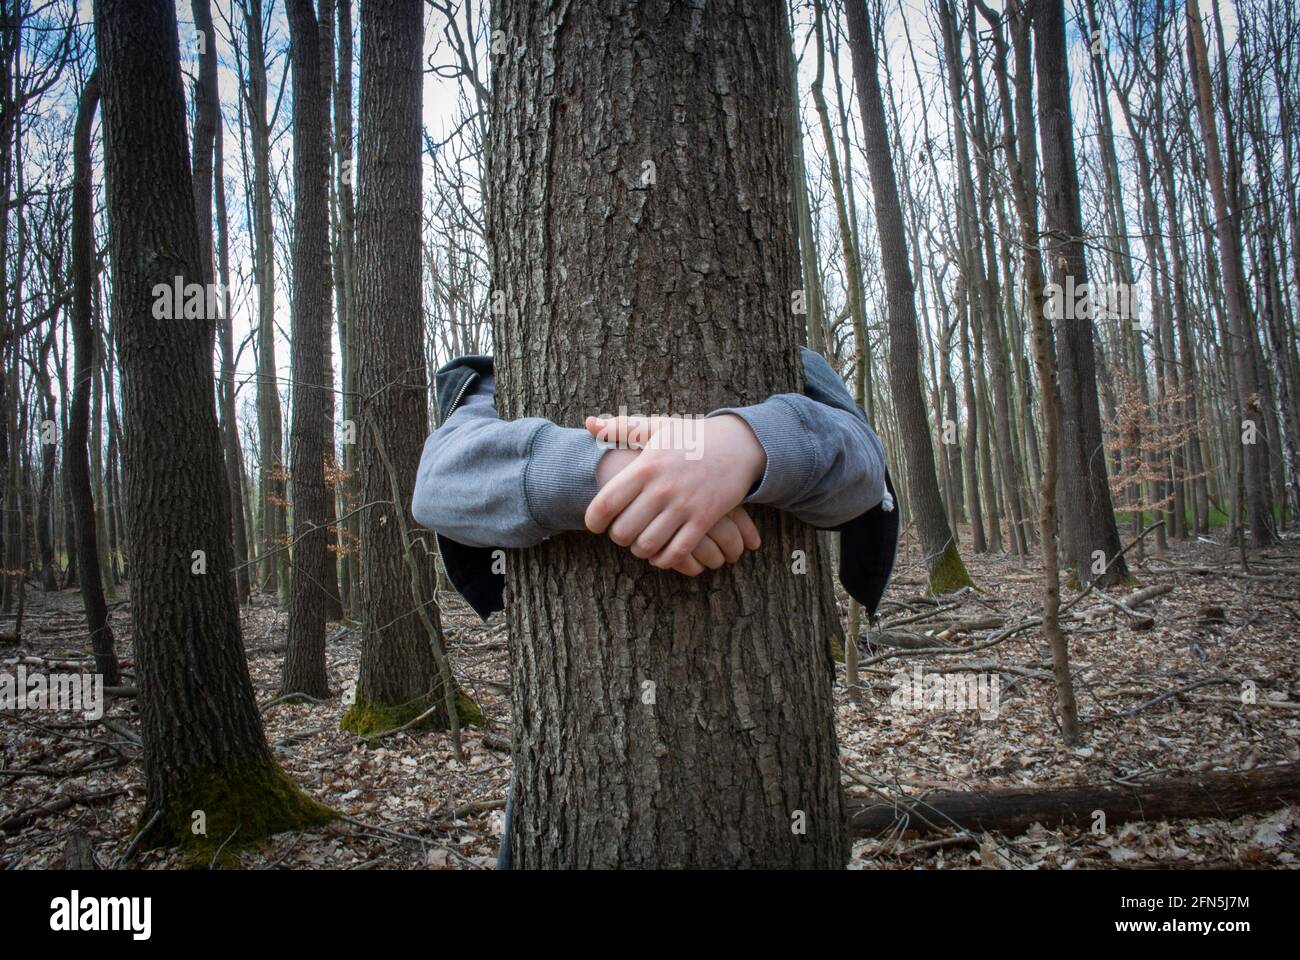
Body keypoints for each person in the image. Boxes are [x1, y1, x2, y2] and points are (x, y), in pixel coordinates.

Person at [411, 346, 899, 868]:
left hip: (780, 738)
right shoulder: (503, 376)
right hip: (568, 750)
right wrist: (618, 471)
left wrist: (742, 444)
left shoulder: (783, 354)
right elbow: (438, 481)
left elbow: (865, 469)